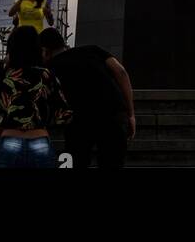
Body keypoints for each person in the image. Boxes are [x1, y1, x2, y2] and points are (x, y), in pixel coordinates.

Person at [0, 24, 69, 168]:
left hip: (10, 142)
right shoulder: (46, 75)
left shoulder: (3, 76)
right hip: (40, 142)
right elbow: (63, 115)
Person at [40, 27, 135, 169]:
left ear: (45, 51)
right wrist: (131, 114)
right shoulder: (92, 50)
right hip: (113, 115)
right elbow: (120, 72)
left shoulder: (50, 69)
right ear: (63, 44)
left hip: (79, 121)